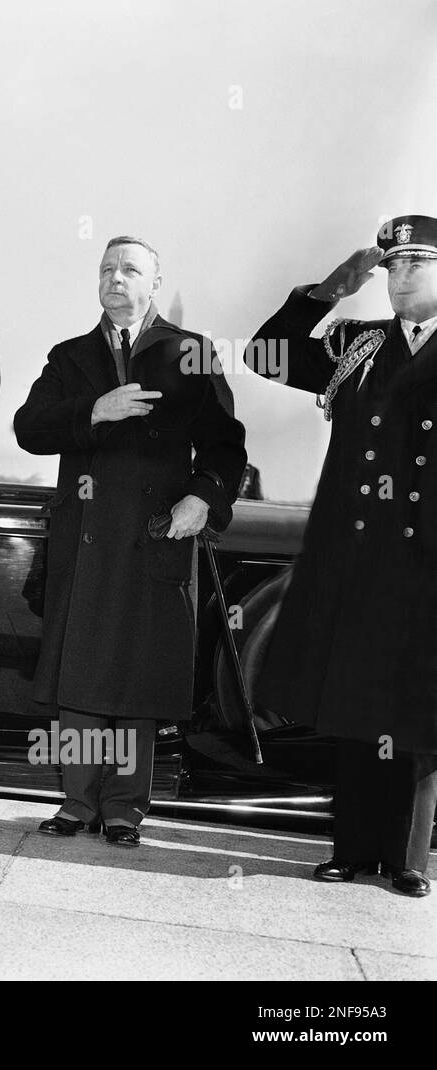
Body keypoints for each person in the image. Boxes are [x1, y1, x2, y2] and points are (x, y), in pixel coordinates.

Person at [14, 236, 246, 846]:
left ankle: (124, 809)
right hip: (85, 537)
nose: (116, 278)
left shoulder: (190, 352)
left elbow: (225, 445)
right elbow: (28, 429)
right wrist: (95, 409)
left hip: (155, 534)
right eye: (107, 268)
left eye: (131, 270)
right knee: (82, 674)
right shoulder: (70, 357)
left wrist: (202, 497)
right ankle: (75, 802)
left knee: (137, 678)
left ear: (154, 281)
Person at [242, 216, 437, 897]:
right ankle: (352, 848)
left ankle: (408, 858)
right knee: (356, 705)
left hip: (428, 564)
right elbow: (267, 355)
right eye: (392, 265)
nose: (400, 276)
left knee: (418, 711)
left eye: (417, 263)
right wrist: (329, 290)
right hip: (359, 557)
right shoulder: (359, 343)